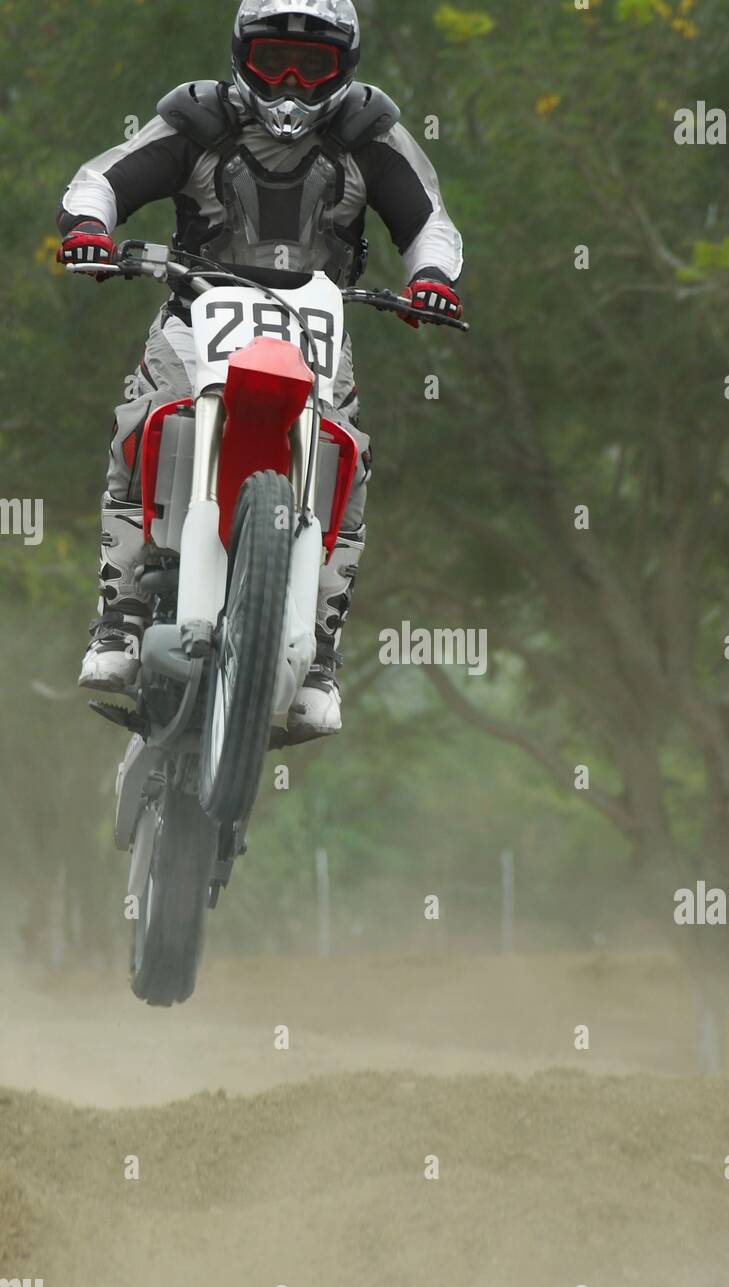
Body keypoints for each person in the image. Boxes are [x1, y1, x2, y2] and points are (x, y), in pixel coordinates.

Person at [56, 0, 464, 741]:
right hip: (193, 315)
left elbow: (428, 220)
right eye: (274, 59)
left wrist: (432, 276)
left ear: (345, 67)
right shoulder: (197, 121)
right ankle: (118, 619)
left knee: (350, 459)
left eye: (312, 66)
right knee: (143, 427)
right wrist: (89, 227)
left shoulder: (370, 136)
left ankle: (319, 660)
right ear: (242, 54)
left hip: (318, 328)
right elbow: (101, 179)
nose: (289, 82)